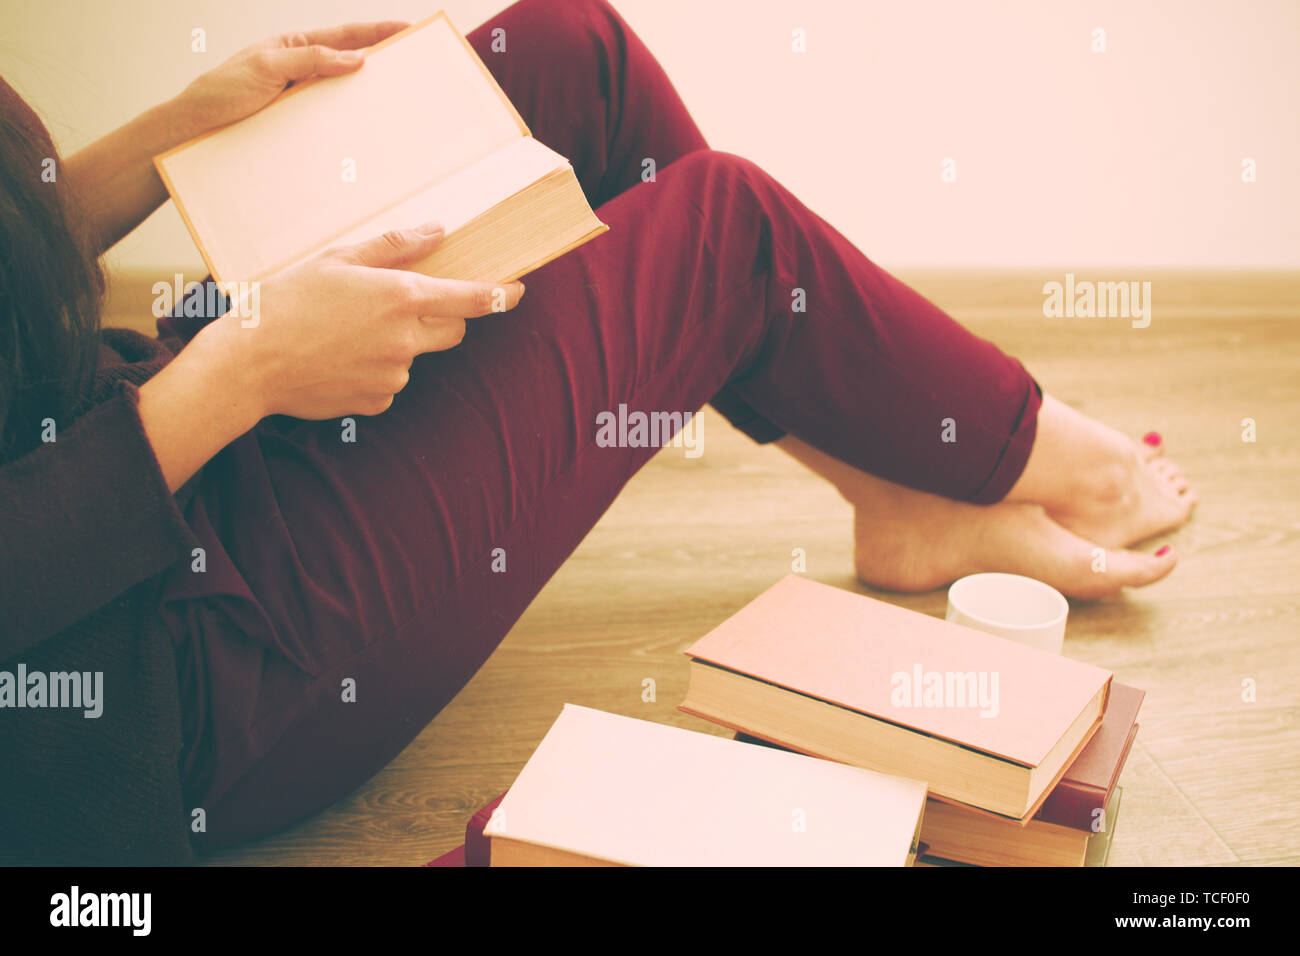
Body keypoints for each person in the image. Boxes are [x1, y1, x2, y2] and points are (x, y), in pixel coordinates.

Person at [0, 0, 1195, 863]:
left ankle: (895, 496)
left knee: (577, 55)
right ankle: (1049, 454)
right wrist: (243, 372)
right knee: (727, 233)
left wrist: (169, 138)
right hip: (160, 660)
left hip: (133, 420)